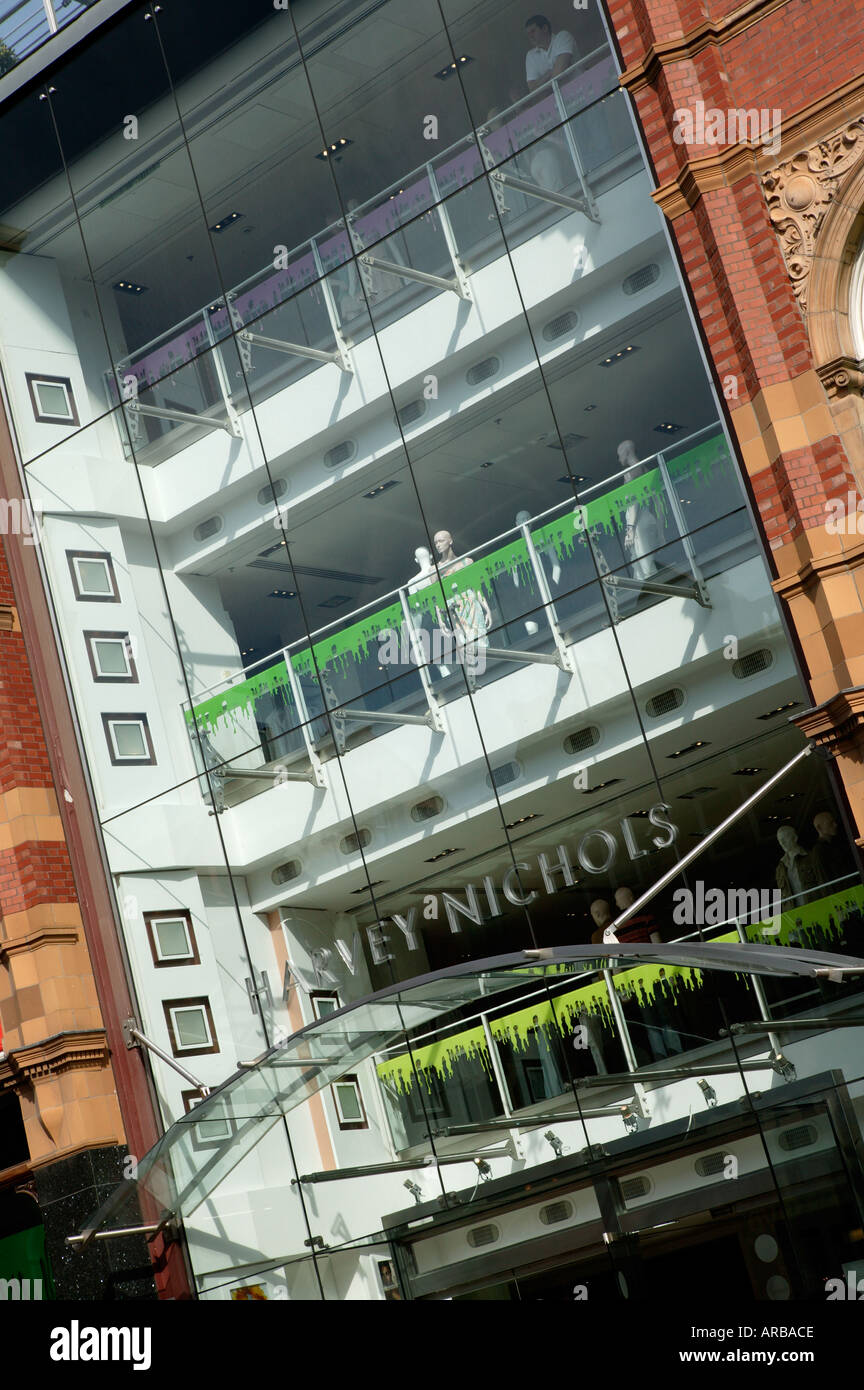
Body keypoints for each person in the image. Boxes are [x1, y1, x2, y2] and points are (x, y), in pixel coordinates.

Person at [524, 14, 576, 92]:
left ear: (545, 28)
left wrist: (541, 83)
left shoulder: (563, 37)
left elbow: (558, 74)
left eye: (533, 31)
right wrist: (550, 72)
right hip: (557, 100)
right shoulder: (530, 56)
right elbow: (532, 88)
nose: (530, 36)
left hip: (580, 87)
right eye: (528, 34)